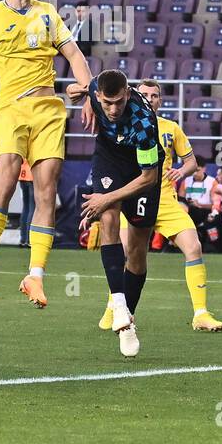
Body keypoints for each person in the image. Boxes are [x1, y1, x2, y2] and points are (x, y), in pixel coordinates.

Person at [0, 0, 93, 308]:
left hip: (49, 111)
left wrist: (86, 92)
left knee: (46, 190)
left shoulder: (48, 14)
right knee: (6, 179)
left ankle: (34, 276)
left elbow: (74, 55)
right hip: (9, 109)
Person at [96, 80, 222, 333]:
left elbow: (191, 162)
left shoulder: (171, 128)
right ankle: (114, 307)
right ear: (134, 96)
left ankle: (200, 313)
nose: (151, 99)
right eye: (145, 94)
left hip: (165, 200)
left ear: (160, 101)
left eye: (155, 96)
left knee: (194, 247)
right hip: (132, 199)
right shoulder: (122, 125)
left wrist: (181, 171)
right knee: (124, 255)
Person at [78, 70, 162, 358]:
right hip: (110, 157)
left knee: (137, 252)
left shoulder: (144, 121)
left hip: (141, 172)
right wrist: (84, 99)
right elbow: (83, 86)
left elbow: (149, 178)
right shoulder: (96, 91)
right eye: (106, 103)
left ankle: (128, 311)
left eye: (119, 103)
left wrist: (105, 199)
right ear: (100, 96)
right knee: (109, 218)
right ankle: (123, 317)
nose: (113, 110)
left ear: (127, 94)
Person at [180, 163, 219, 248]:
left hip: (205, 210)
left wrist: (200, 205)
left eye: (197, 170)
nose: (194, 173)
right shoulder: (186, 181)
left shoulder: (212, 182)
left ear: (204, 169)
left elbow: (215, 204)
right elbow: (180, 199)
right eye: (192, 171)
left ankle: (210, 244)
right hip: (188, 210)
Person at [17, 159, 34, 247]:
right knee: (32, 208)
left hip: (22, 174)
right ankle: (29, 239)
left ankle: (23, 239)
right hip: (31, 174)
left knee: (26, 208)